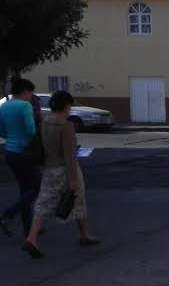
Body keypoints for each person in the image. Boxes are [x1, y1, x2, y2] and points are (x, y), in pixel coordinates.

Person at [22, 90, 100, 258]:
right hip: (65, 169)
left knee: (44, 203)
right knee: (77, 199)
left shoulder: (45, 121)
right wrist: (73, 178)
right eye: (69, 105)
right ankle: (84, 234)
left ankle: (32, 237)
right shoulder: (66, 126)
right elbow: (69, 154)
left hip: (49, 168)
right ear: (66, 106)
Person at [0, 78, 42, 237]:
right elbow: (31, 130)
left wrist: (12, 137)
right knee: (37, 188)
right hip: (24, 152)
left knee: (25, 189)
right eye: (31, 94)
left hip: (9, 151)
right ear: (25, 92)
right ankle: (8, 213)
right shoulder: (25, 106)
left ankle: (28, 228)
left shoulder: (4, 106)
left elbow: (1, 130)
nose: (31, 97)